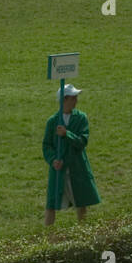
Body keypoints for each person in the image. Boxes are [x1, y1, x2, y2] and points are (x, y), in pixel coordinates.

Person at [42, 84, 100, 226]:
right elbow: (47, 145)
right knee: (51, 204)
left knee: (81, 202)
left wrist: (66, 134)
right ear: (64, 100)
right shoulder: (52, 121)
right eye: (73, 98)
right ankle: (47, 237)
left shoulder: (81, 118)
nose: (76, 100)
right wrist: (53, 160)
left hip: (76, 166)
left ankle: (83, 232)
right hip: (59, 169)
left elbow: (82, 142)